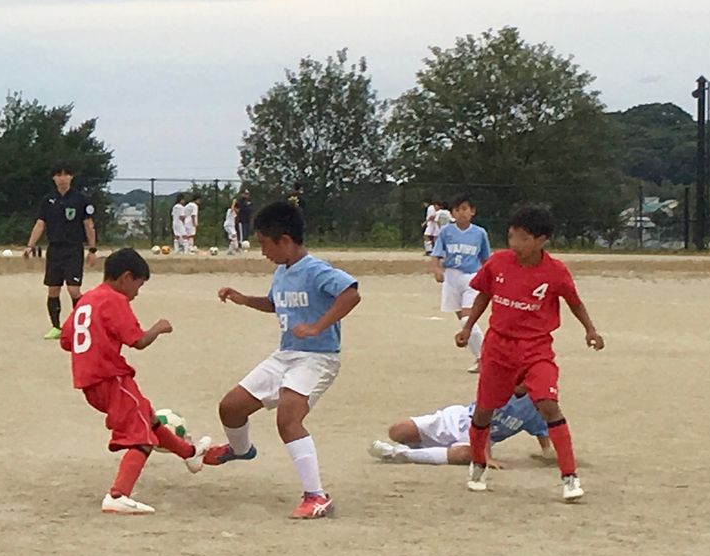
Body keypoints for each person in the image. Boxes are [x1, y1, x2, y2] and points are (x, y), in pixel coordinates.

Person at [208, 202, 362, 520]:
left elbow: (351, 293)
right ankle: (240, 450)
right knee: (231, 407)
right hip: (286, 355)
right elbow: (274, 304)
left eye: (265, 243)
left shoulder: (316, 269)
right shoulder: (282, 271)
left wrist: (318, 326)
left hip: (318, 358)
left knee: (288, 418)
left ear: (286, 240)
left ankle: (317, 497)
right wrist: (244, 299)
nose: (262, 251)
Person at [455, 205, 606, 502]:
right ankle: (478, 463)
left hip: (535, 348)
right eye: (511, 236)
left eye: (522, 238)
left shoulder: (555, 272)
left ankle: (569, 476)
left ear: (541, 240)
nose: (514, 244)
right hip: (498, 348)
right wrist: (468, 326)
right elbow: (484, 293)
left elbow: (574, 301)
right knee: (485, 411)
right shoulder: (498, 263)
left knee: (549, 404)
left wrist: (590, 329)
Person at [60, 248, 210, 515]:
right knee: (141, 437)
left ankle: (190, 453)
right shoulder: (114, 300)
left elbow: (66, 340)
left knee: (148, 417)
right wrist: (159, 327)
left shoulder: (86, 300)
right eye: (139, 285)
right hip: (111, 378)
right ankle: (118, 494)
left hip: (89, 381)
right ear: (126, 277)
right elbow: (137, 341)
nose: (137, 293)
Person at [368, 386, 554, 465]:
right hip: (459, 419)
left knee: (469, 454)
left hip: (475, 438)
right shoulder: (501, 390)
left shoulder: (536, 408)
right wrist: (486, 457)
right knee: (397, 431)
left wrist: (550, 455)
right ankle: (432, 450)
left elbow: (543, 435)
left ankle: (400, 454)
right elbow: (482, 421)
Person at [23, 166, 97, 340]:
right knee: (53, 289)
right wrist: (30, 245)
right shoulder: (48, 200)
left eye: (66, 174)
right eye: (58, 175)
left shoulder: (80, 200)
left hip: (73, 249)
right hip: (54, 249)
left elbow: (89, 225)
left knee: (73, 290)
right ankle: (56, 327)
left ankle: (81, 326)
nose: (62, 178)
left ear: (71, 177)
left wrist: (92, 249)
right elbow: (40, 223)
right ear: (53, 178)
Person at [430, 194, 492, 373]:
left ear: (472, 211)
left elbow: (486, 258)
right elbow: (437, 253)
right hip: (451, 277)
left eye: (465, 209)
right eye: (457, 210)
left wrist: (489, 278)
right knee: (463, 321)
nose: (461, 213)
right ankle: (480, 358)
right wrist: (437, 269)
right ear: (452, 213)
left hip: (472, 276)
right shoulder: (446, 232)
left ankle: (485, 357)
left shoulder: (479, 233)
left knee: (467, 318)